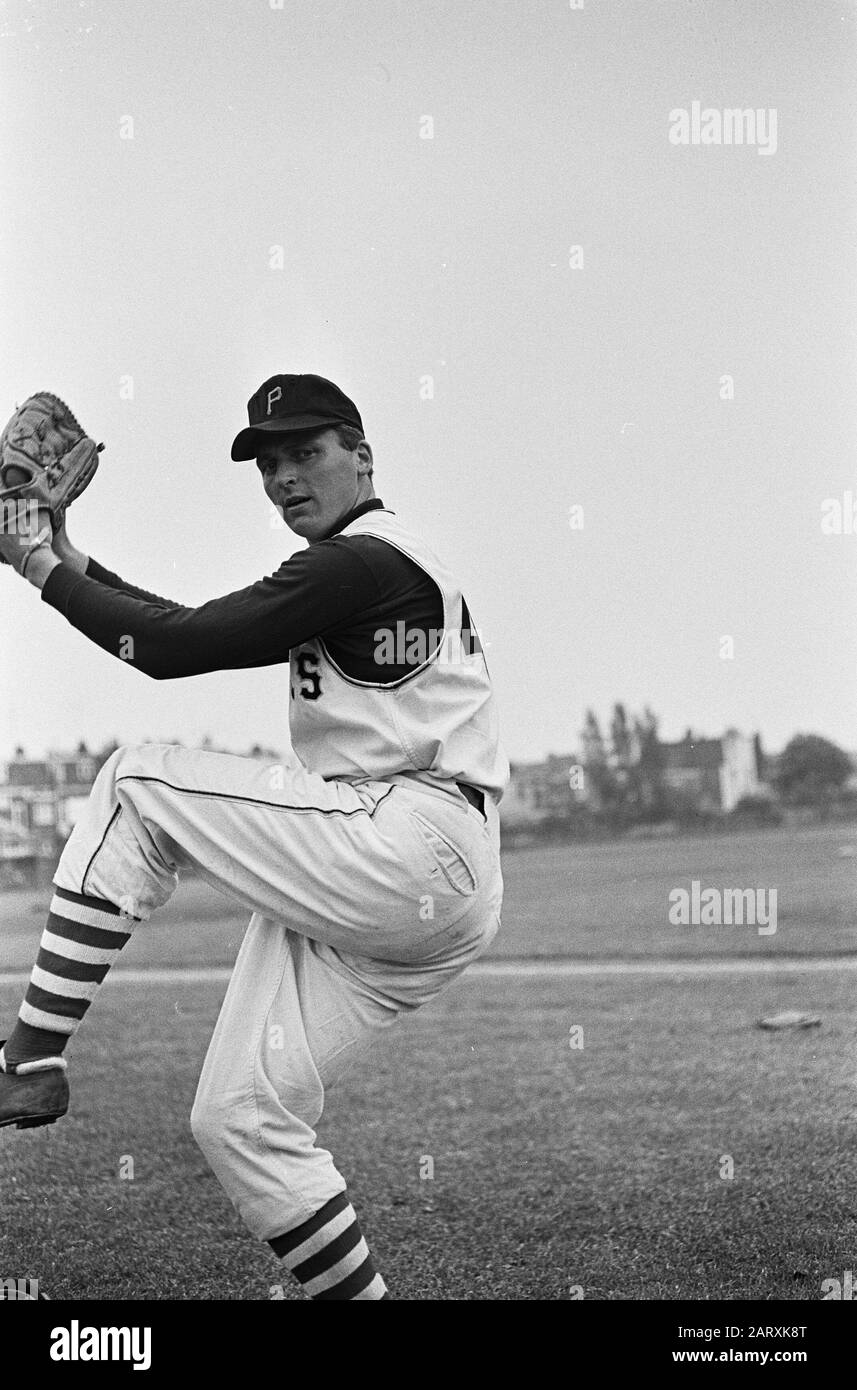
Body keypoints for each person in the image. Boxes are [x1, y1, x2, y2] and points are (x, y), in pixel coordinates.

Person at [0, 373, 508, 1301]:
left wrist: (36, 566)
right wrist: (66, 556)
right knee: (239, 1118)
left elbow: (171, 649)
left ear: (362, 456)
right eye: (269, 463)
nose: (283, 478)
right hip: (415, 879)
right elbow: (176, 629)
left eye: (306, 453)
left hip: (405, 840)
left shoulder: (359, 561)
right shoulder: (358, 567)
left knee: (135, 782)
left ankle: (27, 1060)